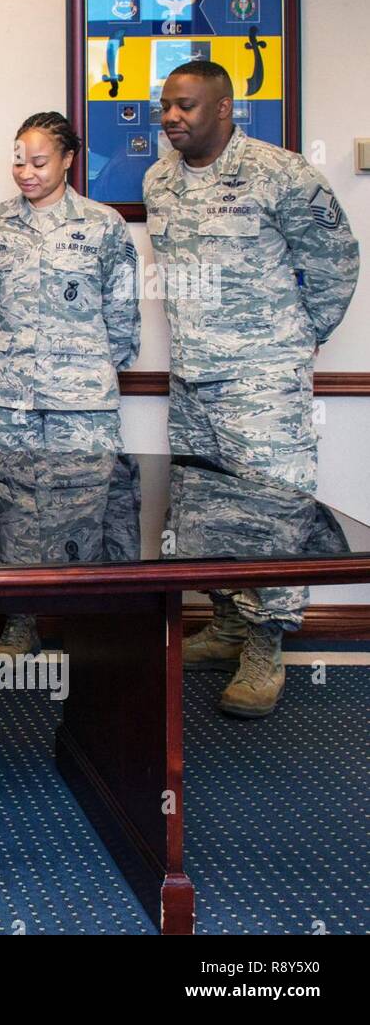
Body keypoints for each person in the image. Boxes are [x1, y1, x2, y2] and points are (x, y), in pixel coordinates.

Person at [145, 60, 359, 717]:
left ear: (225, 108)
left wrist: (297, 339)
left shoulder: (280, 174)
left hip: (264, 380)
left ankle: (266, 645)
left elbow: (336, 259)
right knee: (203, 511)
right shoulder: (159, 182)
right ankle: (228, 622)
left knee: (275, 514)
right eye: (166, 107)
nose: (172, 117)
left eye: (186, 106)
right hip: (194, 380)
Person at [0, 111, 140, 654]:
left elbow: (122, 315)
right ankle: (20, 619)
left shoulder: (103, 224)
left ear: (68, 160)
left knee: (90, 509)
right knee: (15, 508)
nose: (25, 171)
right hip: (11, 394)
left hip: (83, 398)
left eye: (39, 160)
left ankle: (94, 626)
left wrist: (82, 371)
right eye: (18, 159)